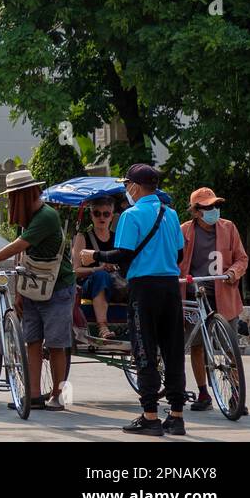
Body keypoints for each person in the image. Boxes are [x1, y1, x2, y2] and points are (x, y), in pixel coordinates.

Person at [80, 164, 186, 436]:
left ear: (136, 187)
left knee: (144, 350)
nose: (126, 190)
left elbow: (122, 255)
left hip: (144, 288)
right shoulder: (171, 214)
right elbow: (179, 256)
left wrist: (95, 256)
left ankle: (150, 415)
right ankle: (176, 416)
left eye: (127, 185)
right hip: (171, 287)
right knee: (173, 350)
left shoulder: (131, 215)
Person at [0, 169, 74, 412]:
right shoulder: (27, 218)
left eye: (12, 197)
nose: (10, 202)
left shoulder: (46, 216)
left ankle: (57, 395)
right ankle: (33, 395)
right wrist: (19, 292)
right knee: (32, 341)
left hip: (57, 288)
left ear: (23, 195)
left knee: (55, 344)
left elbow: (19, 246)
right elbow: (23, 257)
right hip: (31, 286)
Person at [179, 186, 250, 413]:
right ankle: (203, 392)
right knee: (197, 345)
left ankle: (236, 394)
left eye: (216, 205)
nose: (214, 210)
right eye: (209, 207)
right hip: (193, 294)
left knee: (230, 348)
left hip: (224, 293)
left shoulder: (229, 228)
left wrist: (233, 273)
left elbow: (241, 258)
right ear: (196, 211)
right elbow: (174, 259)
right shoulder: (184, 231)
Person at [72, 196, 126, 339]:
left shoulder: (118, 238)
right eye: (97, 213)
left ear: (112, 216)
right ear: (91, 215)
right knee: (101, 276)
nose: (101, 217)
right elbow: (76, 271)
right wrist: (98, 269)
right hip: (89, 285)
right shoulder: (82, 238)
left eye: (106, 214)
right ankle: (102, 326)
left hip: (117, 284)